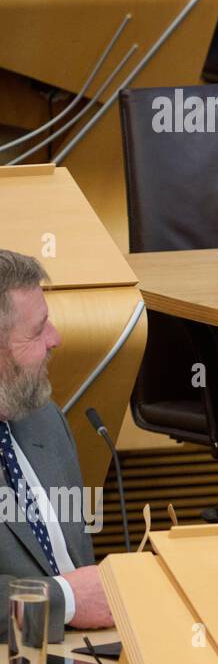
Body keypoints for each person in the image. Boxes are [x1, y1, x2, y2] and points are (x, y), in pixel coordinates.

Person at [0, 251, 113, 642]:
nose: (56, 339)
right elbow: (74, 593)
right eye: (38, 330)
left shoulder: (43, 419)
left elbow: (76, 563)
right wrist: (66, 600)